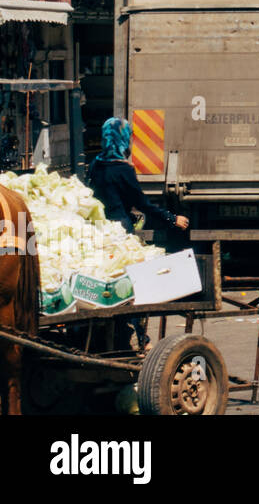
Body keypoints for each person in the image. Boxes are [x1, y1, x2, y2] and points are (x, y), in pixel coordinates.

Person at [86, 117, 189, 351]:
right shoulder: (123, 169)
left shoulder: (95, 165)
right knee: (129, 284)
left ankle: (112, 335)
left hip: (98, 229)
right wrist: (173, 218)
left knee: (105, 281)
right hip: (120, 232)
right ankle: (141, 338)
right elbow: (141, 203)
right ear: (124, 140)